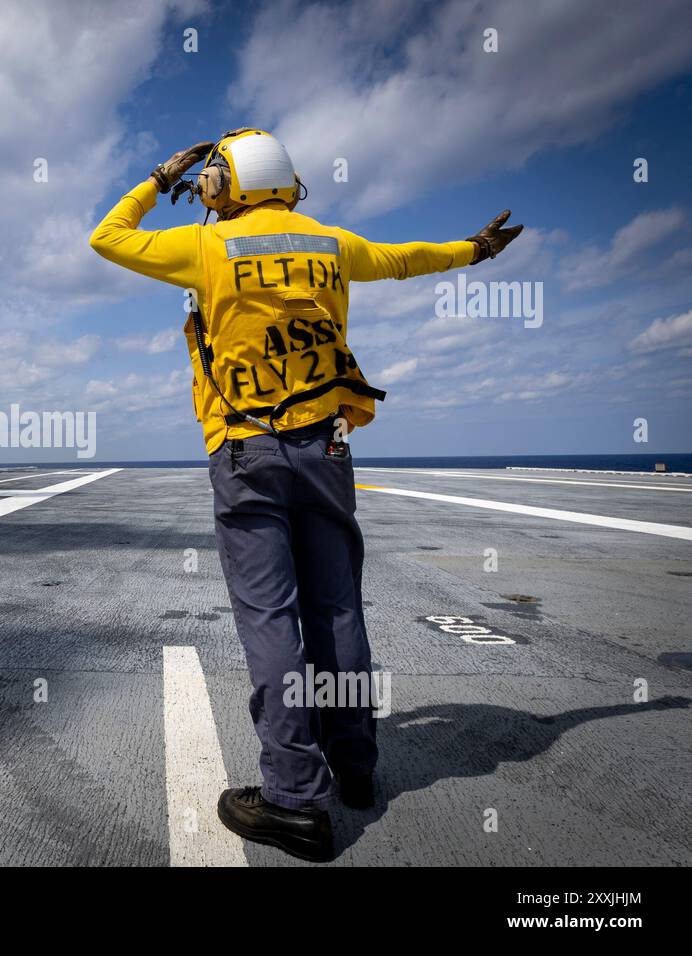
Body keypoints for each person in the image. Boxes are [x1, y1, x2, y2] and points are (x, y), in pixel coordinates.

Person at [89, 129, 522, 862]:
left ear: (224, 185)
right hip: (327, 449)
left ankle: (293, 799)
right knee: (337, 608)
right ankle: (355, 770)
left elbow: (108, 236)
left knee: (271, 621)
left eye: (208, 184)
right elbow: (410, 260)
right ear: (289, 184)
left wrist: (163, 174)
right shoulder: (331, 245)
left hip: (246, 452)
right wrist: (475, 251)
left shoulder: (207, 248)